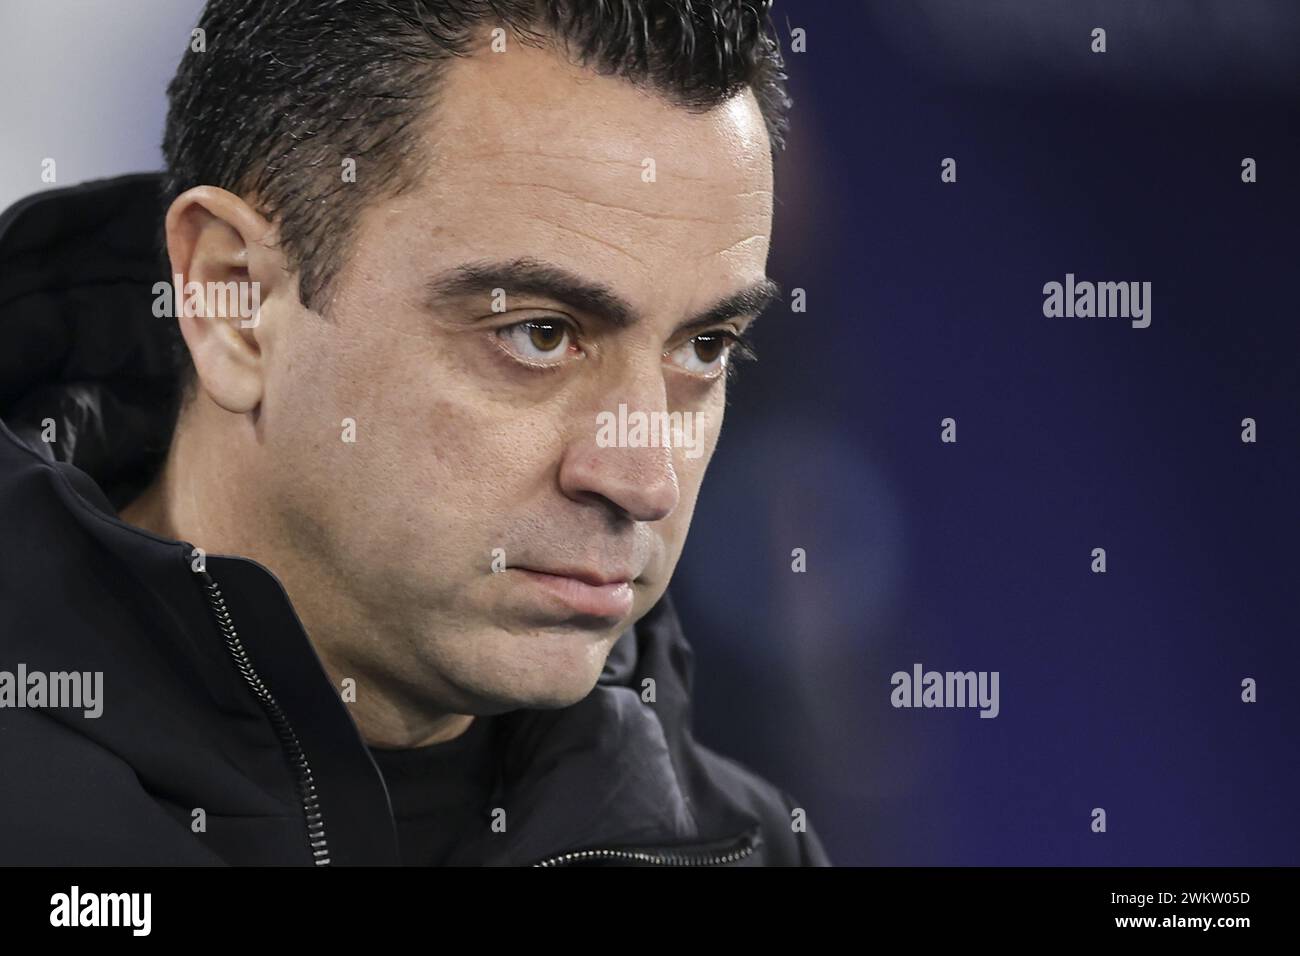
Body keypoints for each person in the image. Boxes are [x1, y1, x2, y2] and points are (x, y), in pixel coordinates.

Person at [0, 0, 830, 866]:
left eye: (704, 348)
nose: (643, 479)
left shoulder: (756, 846)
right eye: (539, 333)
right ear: (234, 301)